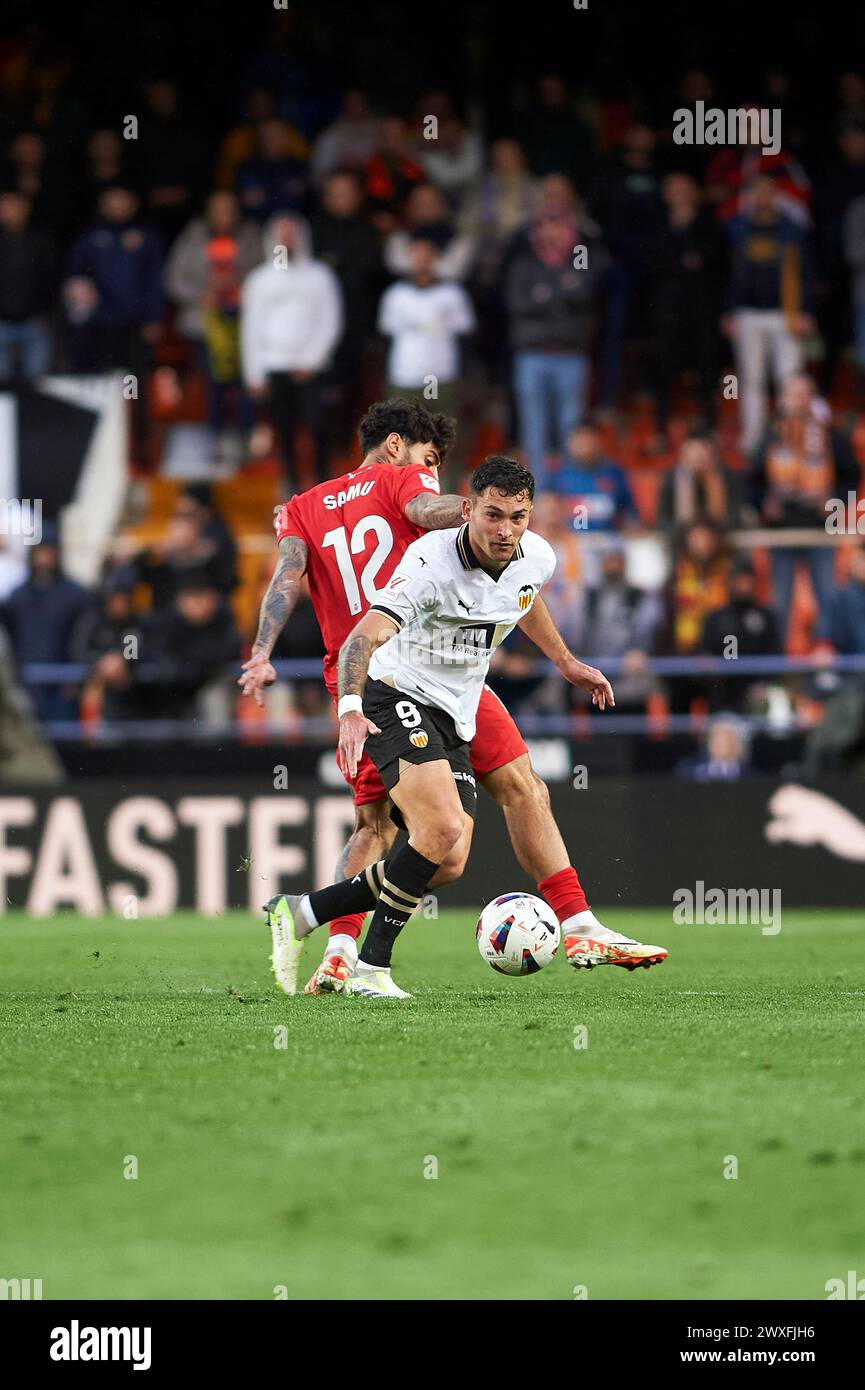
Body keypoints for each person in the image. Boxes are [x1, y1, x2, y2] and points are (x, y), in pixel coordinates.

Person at [238, 409, 665, 995]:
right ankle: (347, 951)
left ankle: (579, 923)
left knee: (466, 817)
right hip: (377, 674)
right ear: (395, 447)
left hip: (450, 674)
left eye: (517, 517)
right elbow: (423, 511)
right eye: (430, 460)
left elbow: (287, 579)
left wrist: (262, 652)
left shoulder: (302, 506)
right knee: (419, 830)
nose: (431, 473)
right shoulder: (404, 486)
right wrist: (469, 511)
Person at [503, 176, 608, 481]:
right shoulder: (524, 260)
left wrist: (546, 295)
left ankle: (569, 492)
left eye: (559, 224)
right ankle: (538, 497)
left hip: (570, 354)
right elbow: (517, 304)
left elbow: (586, 293)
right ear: (538, 228)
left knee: (570, 427)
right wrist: (560, 295)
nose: (553, 230)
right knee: (533, 428)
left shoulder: (581, 256)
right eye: (547, 224)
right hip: (531, 354)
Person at [749, 373, 860, 644]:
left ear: (813, 398)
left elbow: (851, 475)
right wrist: (763, 505)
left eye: (804, 394)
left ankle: (824, 659)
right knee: (780, 601)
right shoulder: (770, 434)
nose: (799, 401)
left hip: (820, 531)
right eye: (793, 394)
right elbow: (752, 478)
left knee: (827, 597)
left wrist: (834, 502)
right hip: (781, 532)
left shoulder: (829, 434)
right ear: (784, 399)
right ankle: (778, 661)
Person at [240, 213, 343, 488]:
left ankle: (325, 483)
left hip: (312, 368)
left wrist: (311, 359)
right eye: (281, 235)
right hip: (274, 366)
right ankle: (291, 484)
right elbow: (251, 329)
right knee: (284, 429)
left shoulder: (320, 276)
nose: (287, 241)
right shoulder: (259, 280)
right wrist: (254, 374)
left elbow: (330, 320)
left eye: (291, 234)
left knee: (318, 425)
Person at [377, 237, 475, 434]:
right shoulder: (396, 295)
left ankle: (444, 466)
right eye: (417, 257)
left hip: (436, 376)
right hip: (404, 374)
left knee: (439, 429)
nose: (422, 262)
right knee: (401, 431)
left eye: (427, 257)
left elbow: (464, 330)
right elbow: (387, 331)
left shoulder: (451, 294)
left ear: (436, 260)